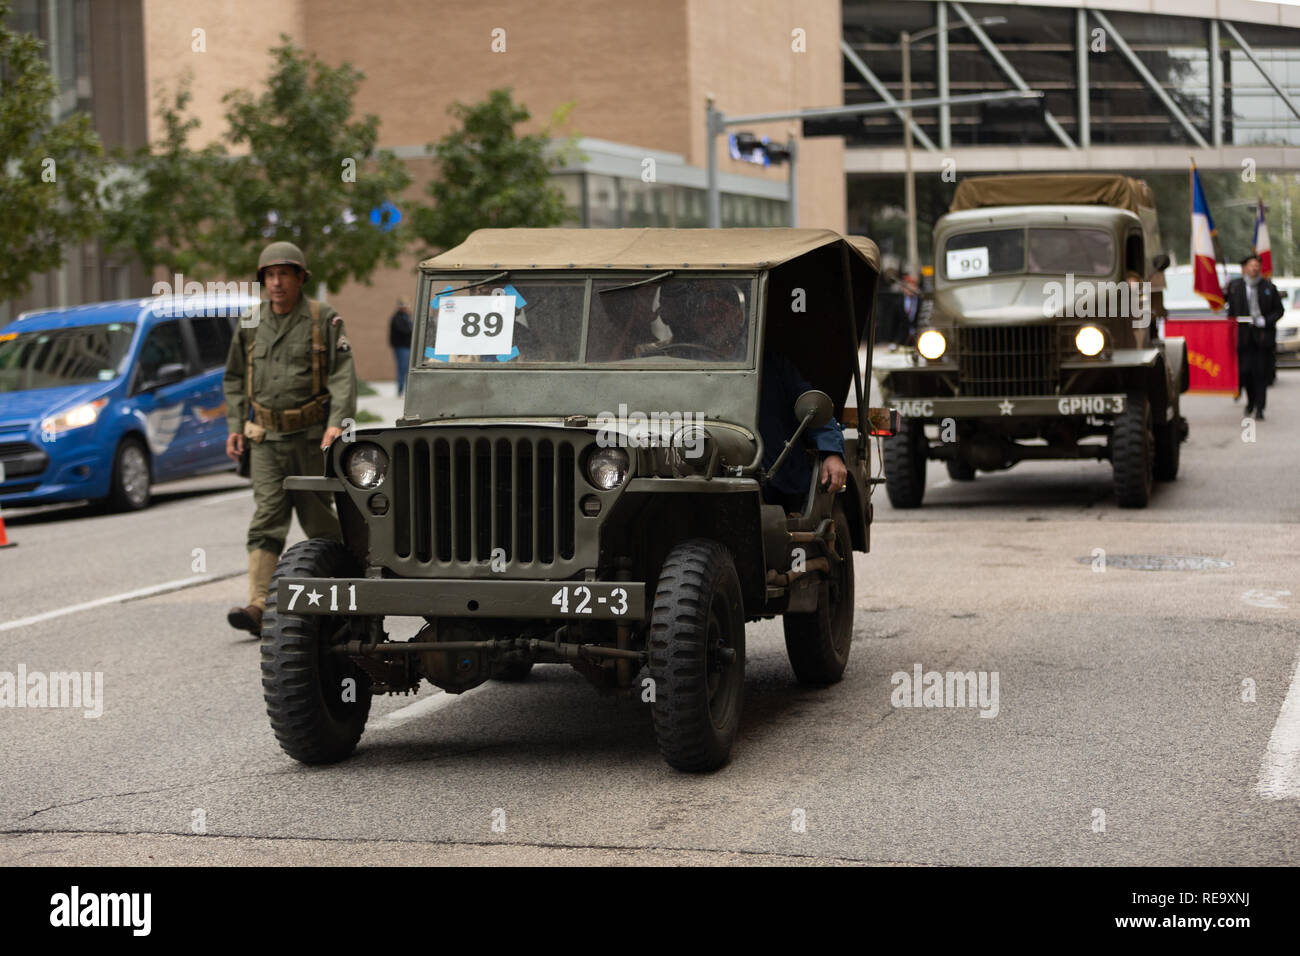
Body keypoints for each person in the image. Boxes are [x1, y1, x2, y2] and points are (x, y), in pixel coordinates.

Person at [222, 241, 358, 634]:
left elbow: (342, 373)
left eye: (284, 274)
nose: (276, 282)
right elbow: (233, 377)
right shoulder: (250, 322)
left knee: (317, 516)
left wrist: (338, 422)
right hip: (265, 439)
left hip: (312, 436)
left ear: (300, 277)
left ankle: (348, 589)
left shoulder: (322, 318)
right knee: (267, 516)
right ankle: (259, 605)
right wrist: (235, 425)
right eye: (269, 275)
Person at [759, 351, 849, 513]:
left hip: (779, 479)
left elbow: (811, 406)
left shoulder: (770, 364)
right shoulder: (698, 368)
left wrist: (832, 453)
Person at [1225, 254, 1283, 420]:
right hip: (1243, 339)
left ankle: (1259, 408)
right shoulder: (1235, 287)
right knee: (1245, 372)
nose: (1254, 268)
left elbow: (1279, 310)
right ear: (1245, 268)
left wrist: (1265, 320)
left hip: (1262, 339)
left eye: (1257, 265)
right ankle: (1250, 401)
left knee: (1261, 374)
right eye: (1251, 265)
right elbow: (1229, 312)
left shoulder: (1269, 287)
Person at [389, 297, 412, 395]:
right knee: (402, 367)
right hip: (401, 346)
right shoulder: (396, 318)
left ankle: (407, 389)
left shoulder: (408, 317)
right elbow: (404, 330)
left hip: (408, 346)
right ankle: (400, 389)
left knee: (407, 368)